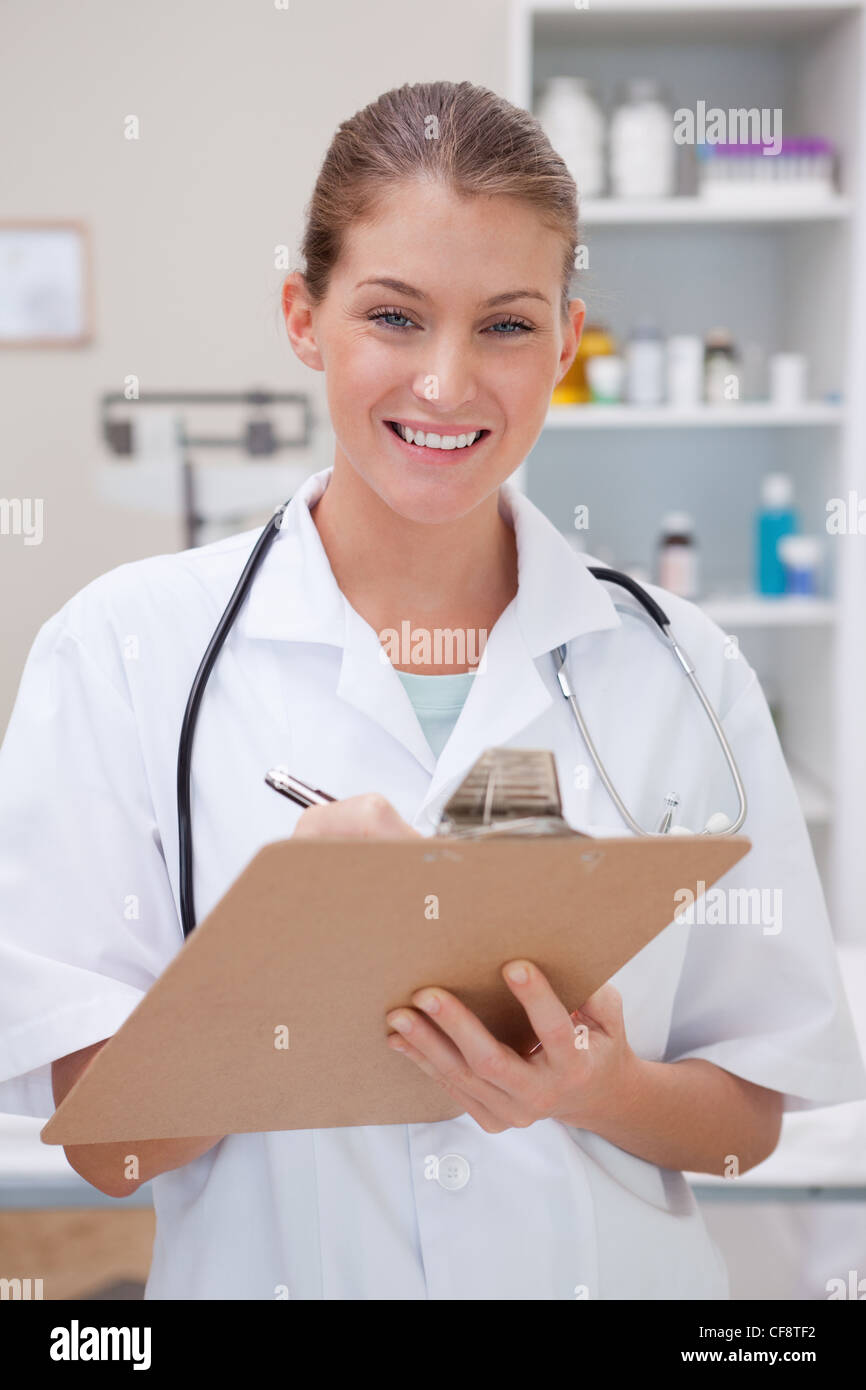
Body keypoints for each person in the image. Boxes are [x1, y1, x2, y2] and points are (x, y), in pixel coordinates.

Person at [0, 80, 863, 1301]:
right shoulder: (123, 653)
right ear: (303, 317)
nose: (447, 383)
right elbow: (110, 1150)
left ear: (563, 343)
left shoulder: (681, 664)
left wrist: (599, 1087)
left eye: (505, 325)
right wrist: (285, 948)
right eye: (394, 316)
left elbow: (743, 1127)